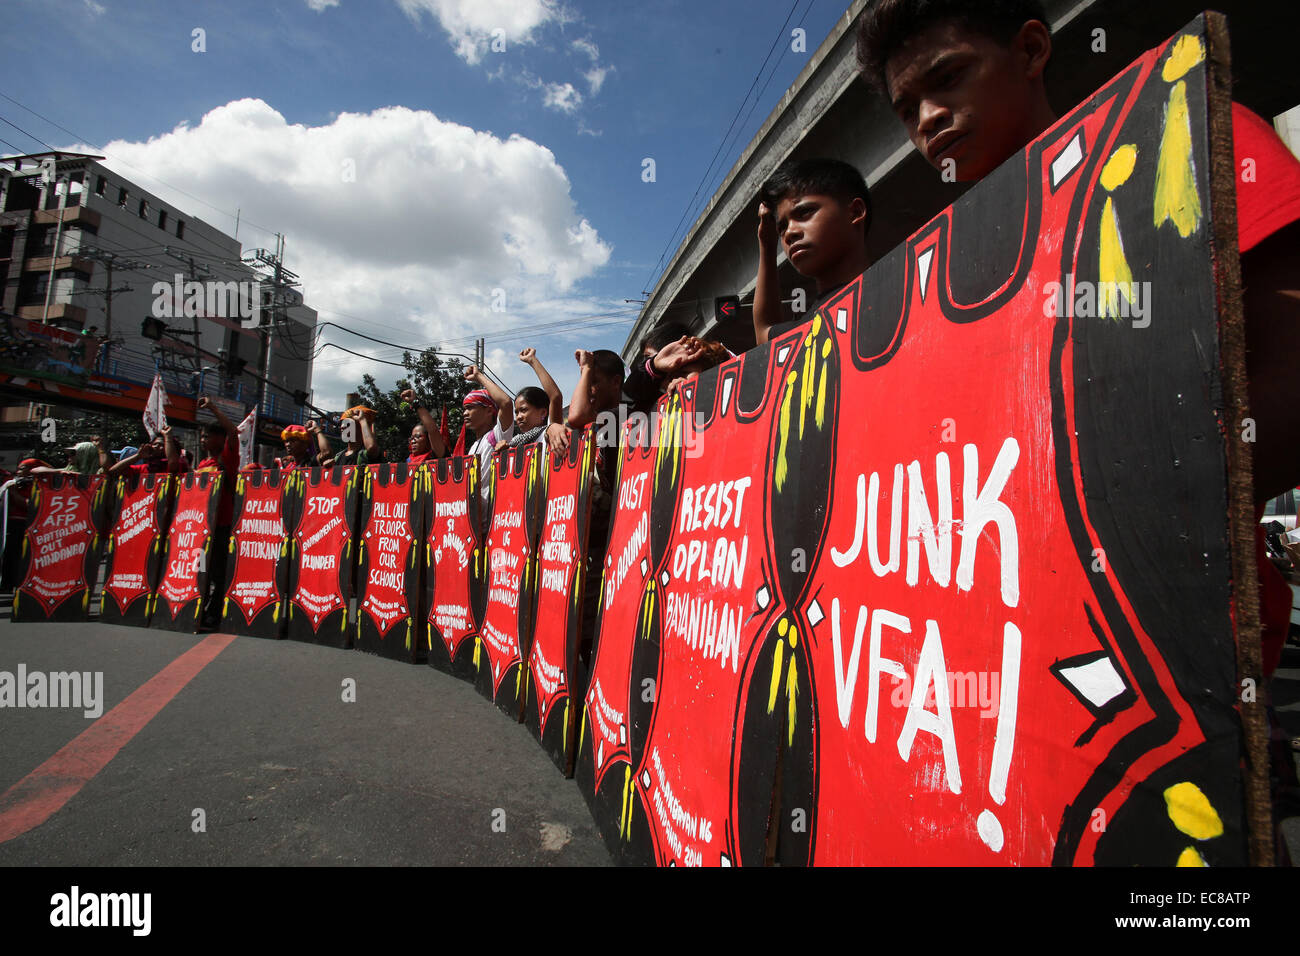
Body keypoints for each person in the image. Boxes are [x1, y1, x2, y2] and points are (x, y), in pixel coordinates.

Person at [856, 0, 1300, 680]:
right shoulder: (936, 283)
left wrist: (1077, 518)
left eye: (948, 78)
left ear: (1032, 50)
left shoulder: (1179, 142)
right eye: (905, 107)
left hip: (1179, 667)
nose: (926, 120)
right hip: (994, 675)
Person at [752, 157, 873, 346]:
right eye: (781, 227)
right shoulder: (805, 330)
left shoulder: (909, 286)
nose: (790, 232)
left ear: (855, 212)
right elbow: (764, 335)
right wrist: (767, 245)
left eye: (804, 212)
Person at [194, 397, 241, 628]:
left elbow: (233, 432)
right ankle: (195, 609)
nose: (203, 440)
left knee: (219, 574)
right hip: (200, 531)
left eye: (207, 436)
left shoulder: (227, 460)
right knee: (200, 570)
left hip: (221, 528)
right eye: (202, 436)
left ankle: (214, 613)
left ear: (220, 439)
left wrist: (212, 407)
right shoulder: (202, 464)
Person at [452, 366, 515, 494]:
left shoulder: (498, 435)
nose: (465, 413)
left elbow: (506, 403)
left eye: (470, 408)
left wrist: (478, 377)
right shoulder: (473, 447)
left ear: (489, 410)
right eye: (464, 409)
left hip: (493, 511)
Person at [510, 348, 564, 448]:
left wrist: (532, 360)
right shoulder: (514, 444)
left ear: (543, 412)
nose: (519, 417)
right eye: (516, 412)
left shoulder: (550, 434)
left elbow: (555, 396)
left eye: (524, 410)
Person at [397, 389, 449, 466]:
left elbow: (432, 430)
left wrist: (415, 403)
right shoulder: (407, 463)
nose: (413, 441)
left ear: (428, 439)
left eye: (417, 437)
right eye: (411, 438)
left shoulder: (436, 455)